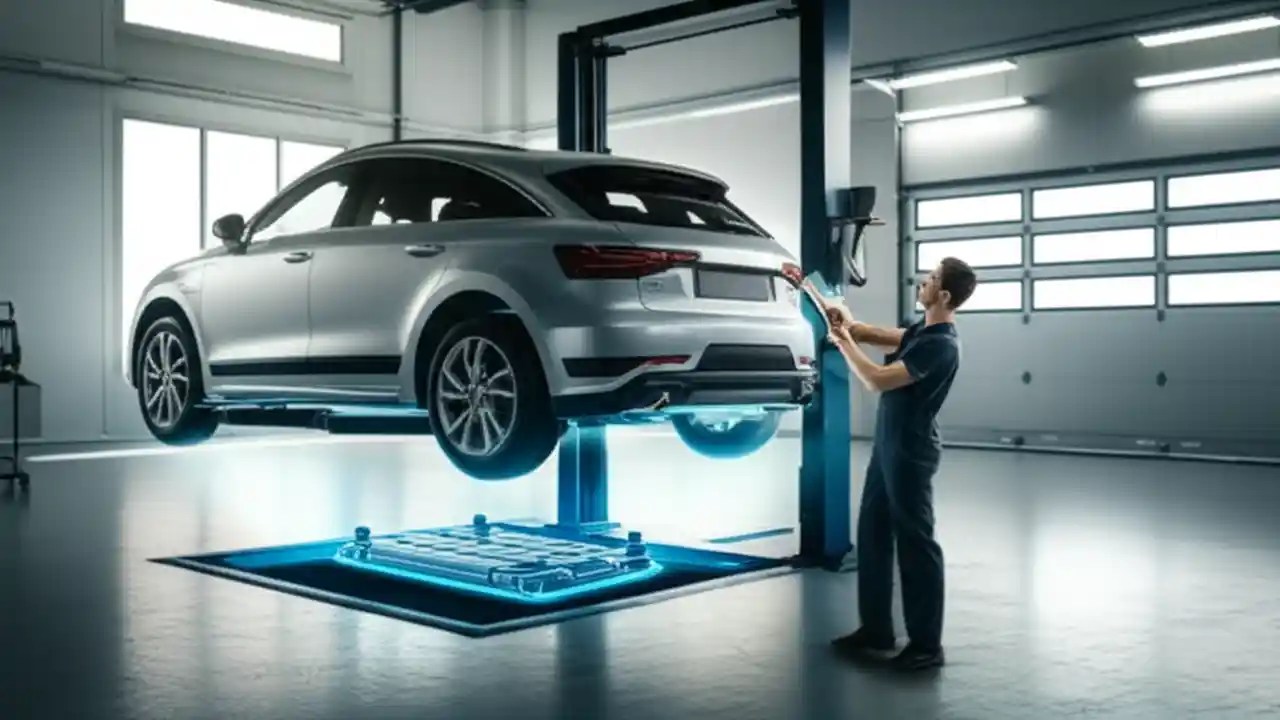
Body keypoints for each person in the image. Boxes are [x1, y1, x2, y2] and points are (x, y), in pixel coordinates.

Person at [823, 256, 976, 672]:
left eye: (930, 281)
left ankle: (927, 646)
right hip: (888, 446)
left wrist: (842, 344)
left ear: (943, 295)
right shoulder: (921, 331)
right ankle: (876, 630)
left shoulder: (940, 344)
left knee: (916, 542)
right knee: (871, 531)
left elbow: (875, 379)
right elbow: (873, 334)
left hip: (910, 451)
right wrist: (844, 319)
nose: (922, 284)